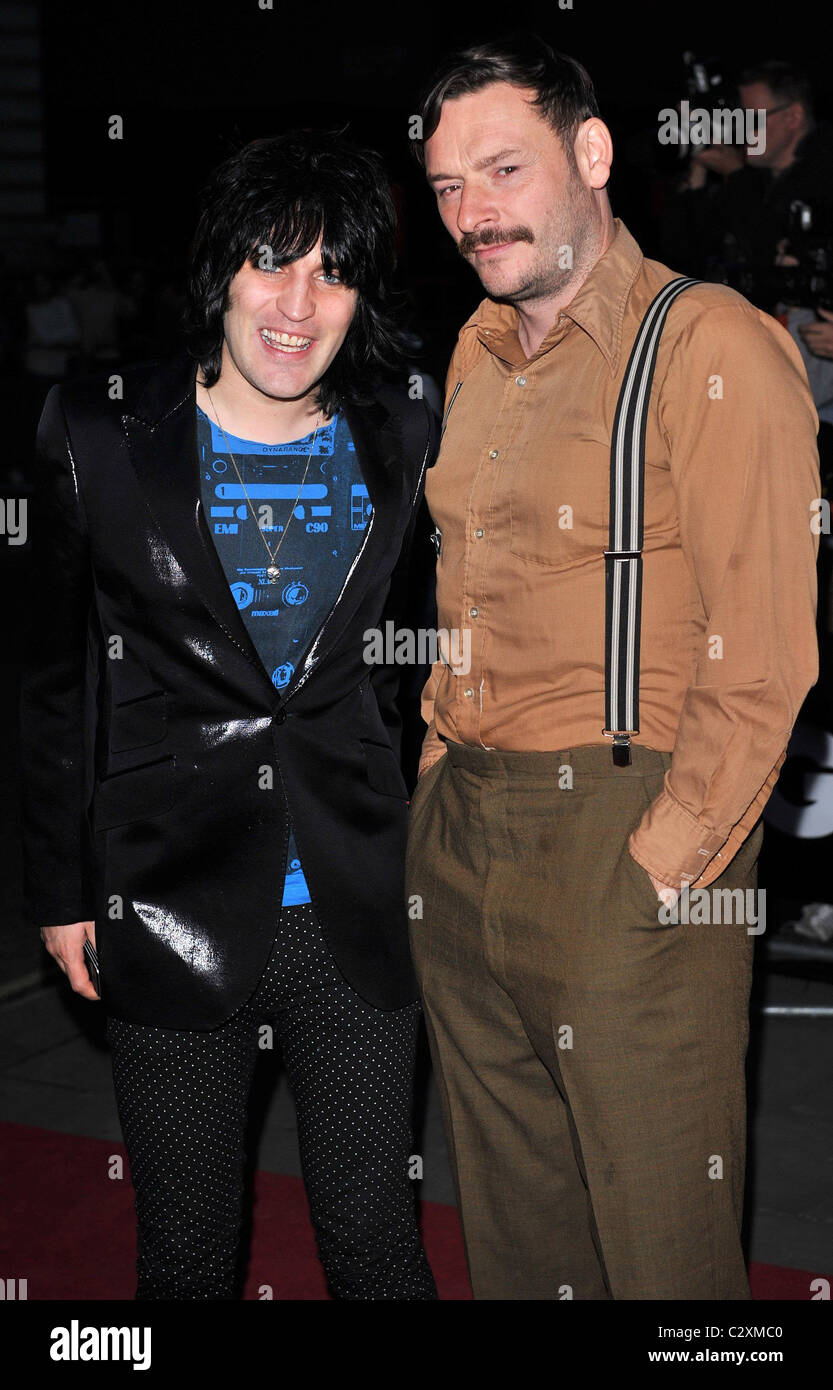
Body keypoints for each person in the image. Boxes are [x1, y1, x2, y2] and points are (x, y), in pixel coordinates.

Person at [405, 35, 820, 1300]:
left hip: (625, 837)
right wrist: (433, 785)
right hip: (463, 832)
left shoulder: (713, 345)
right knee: (521, 1246)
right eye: (445, 188)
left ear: (590, 155)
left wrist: (663, 863)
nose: (474, 213)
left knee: (663, 1265)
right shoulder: (474, 353)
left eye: (503, 168)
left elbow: (762, 657)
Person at [19, 129, 438, 1301]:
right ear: (219, 268)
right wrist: (57, 889)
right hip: (166, 895)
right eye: (270, 259)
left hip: (356, 901)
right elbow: (56, 680)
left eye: (332, 272)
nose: (297, 304)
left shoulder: (403, 427)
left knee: (376, 1243)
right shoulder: (97, 433)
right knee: (188, 1254)